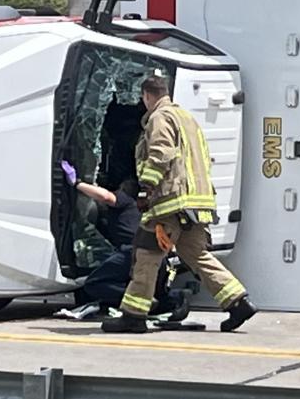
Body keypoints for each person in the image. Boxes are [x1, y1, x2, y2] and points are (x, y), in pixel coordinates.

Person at [102, 73, 257, 334]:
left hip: (171, 204)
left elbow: (161, 153)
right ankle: (237, 303)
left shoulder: (159, 118)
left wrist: (145, 189)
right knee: (196, 254)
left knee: (146, 254)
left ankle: (133, 315)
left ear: (147, 96)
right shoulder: (187, 118)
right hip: (197, 204)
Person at [60, 162, 189, 320]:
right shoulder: (145, 209)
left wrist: (77, 183)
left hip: (132, 251)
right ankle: (171, 299)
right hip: (156, 253)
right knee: (156, 291)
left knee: (93, 284)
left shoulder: (127, 200)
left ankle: (140, 301)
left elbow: (106, 197)